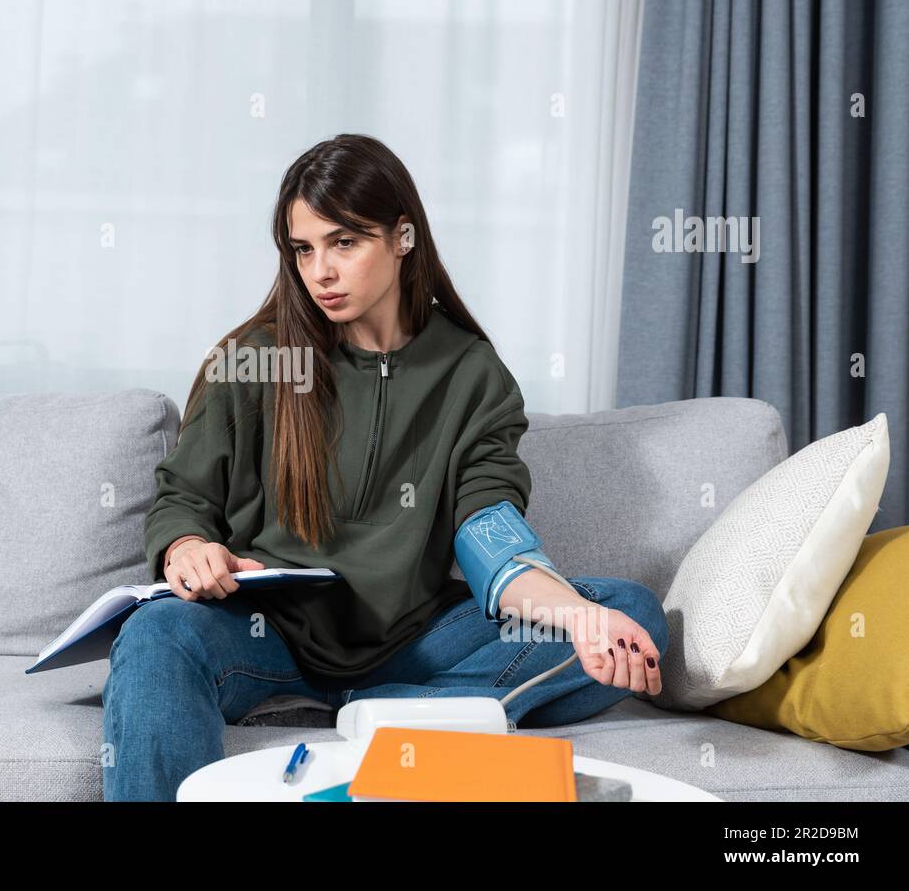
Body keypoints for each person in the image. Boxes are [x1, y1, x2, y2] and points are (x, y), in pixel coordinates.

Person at [102, 133, 669, 802]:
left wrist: (577, 616)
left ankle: (381, 707)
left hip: (416, 639)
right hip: (267, 638)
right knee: (157, 632)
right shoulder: (254, 358)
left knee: (627, 612)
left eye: (344, 242)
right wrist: (190, 547)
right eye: (303, 249)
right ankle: (424, 717)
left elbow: (489, 529)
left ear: (403, 237)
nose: (321, 272)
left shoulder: (471, 373)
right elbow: (183, 496)